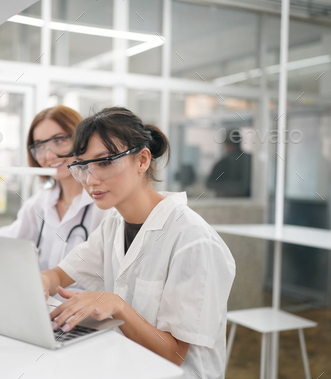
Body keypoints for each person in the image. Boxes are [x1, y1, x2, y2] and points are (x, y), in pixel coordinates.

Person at [40, 107, 236, 378]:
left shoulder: (193, 241)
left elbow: (175, 354)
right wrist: (42, 282)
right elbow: (60, 274)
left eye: (105, 162)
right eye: (83, 166)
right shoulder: (113, 224)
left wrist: (117, 305)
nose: (90, 180)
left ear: (142, 160)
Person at [0, 105, 109, 271]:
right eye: (40, 146)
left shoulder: (105, 204)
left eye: (59, 141)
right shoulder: (40, 203)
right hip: (44, 296)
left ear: (81, 139)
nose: (49, 156)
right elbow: (9, 240)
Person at [206, 128, 252, 197]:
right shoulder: (250, 159)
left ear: (227, 144)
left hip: (227, 202)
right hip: (248, 202)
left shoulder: (223, 162)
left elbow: (209, 184)